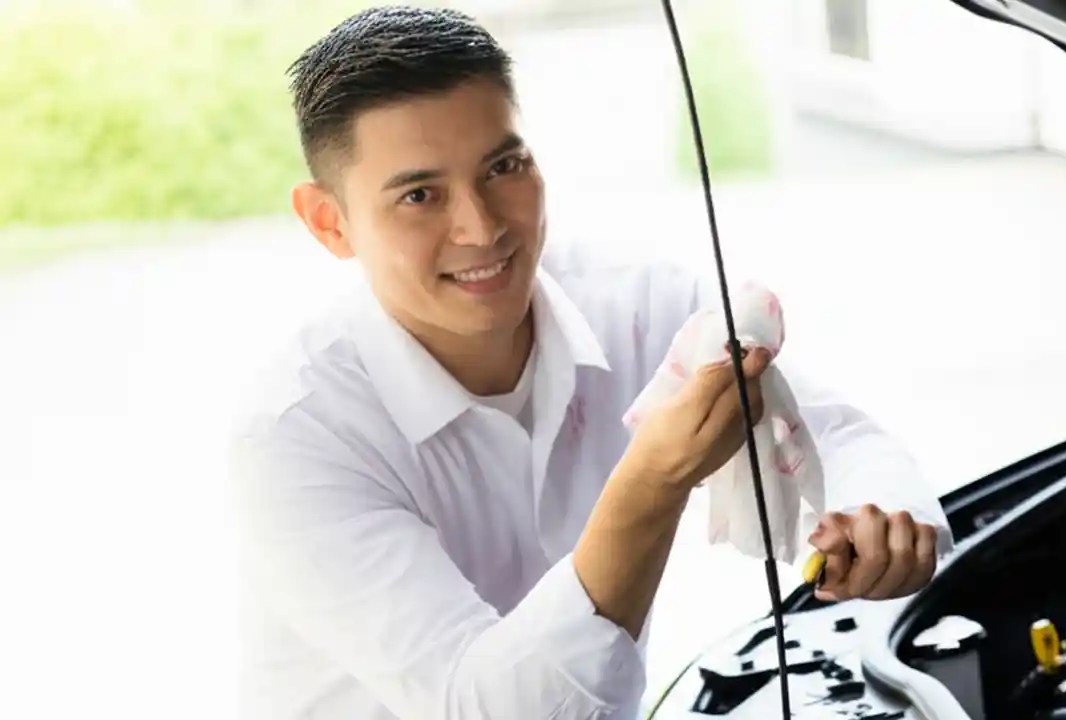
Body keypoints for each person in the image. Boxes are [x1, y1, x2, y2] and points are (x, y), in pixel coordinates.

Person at [232, 6, 953, 719]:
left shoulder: (635, 307)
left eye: (504, 166)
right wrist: (652, 482)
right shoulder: (299, 438)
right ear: (330, 222)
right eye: (420, 195)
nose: (481, 227)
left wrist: (885, 519)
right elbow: (489, 709)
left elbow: (840, 435)